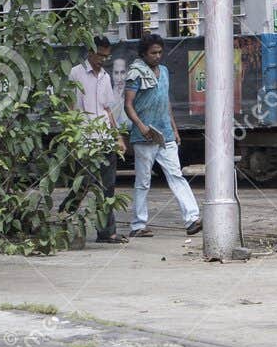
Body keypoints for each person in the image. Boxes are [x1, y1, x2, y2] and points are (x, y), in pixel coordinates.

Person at [123, 33, 201, 237]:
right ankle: (138, 226)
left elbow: (165, 102)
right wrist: (140, 126)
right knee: (143, 181)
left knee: (176, 175)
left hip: (164, 134)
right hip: (144, 137)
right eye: (153, 53)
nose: (157, 56)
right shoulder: (135, 74)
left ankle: (192, 219)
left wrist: (174, 129)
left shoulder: (164, 72)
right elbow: (128, 105)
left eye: (160, 52)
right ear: (143, 54)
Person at [68, 36, 126, 244]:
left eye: (106, 56)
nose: (102, 59)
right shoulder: (76, 73)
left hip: (104, 139)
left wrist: (117, 136)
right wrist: (73, 139)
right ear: (90, 52)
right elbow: (71, 109)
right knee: (83, 185)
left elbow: (107, 109)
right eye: (100, 55)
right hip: (85, 140)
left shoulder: (105, 76)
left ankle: (107, 232)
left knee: (108, 187)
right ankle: (64, 219)